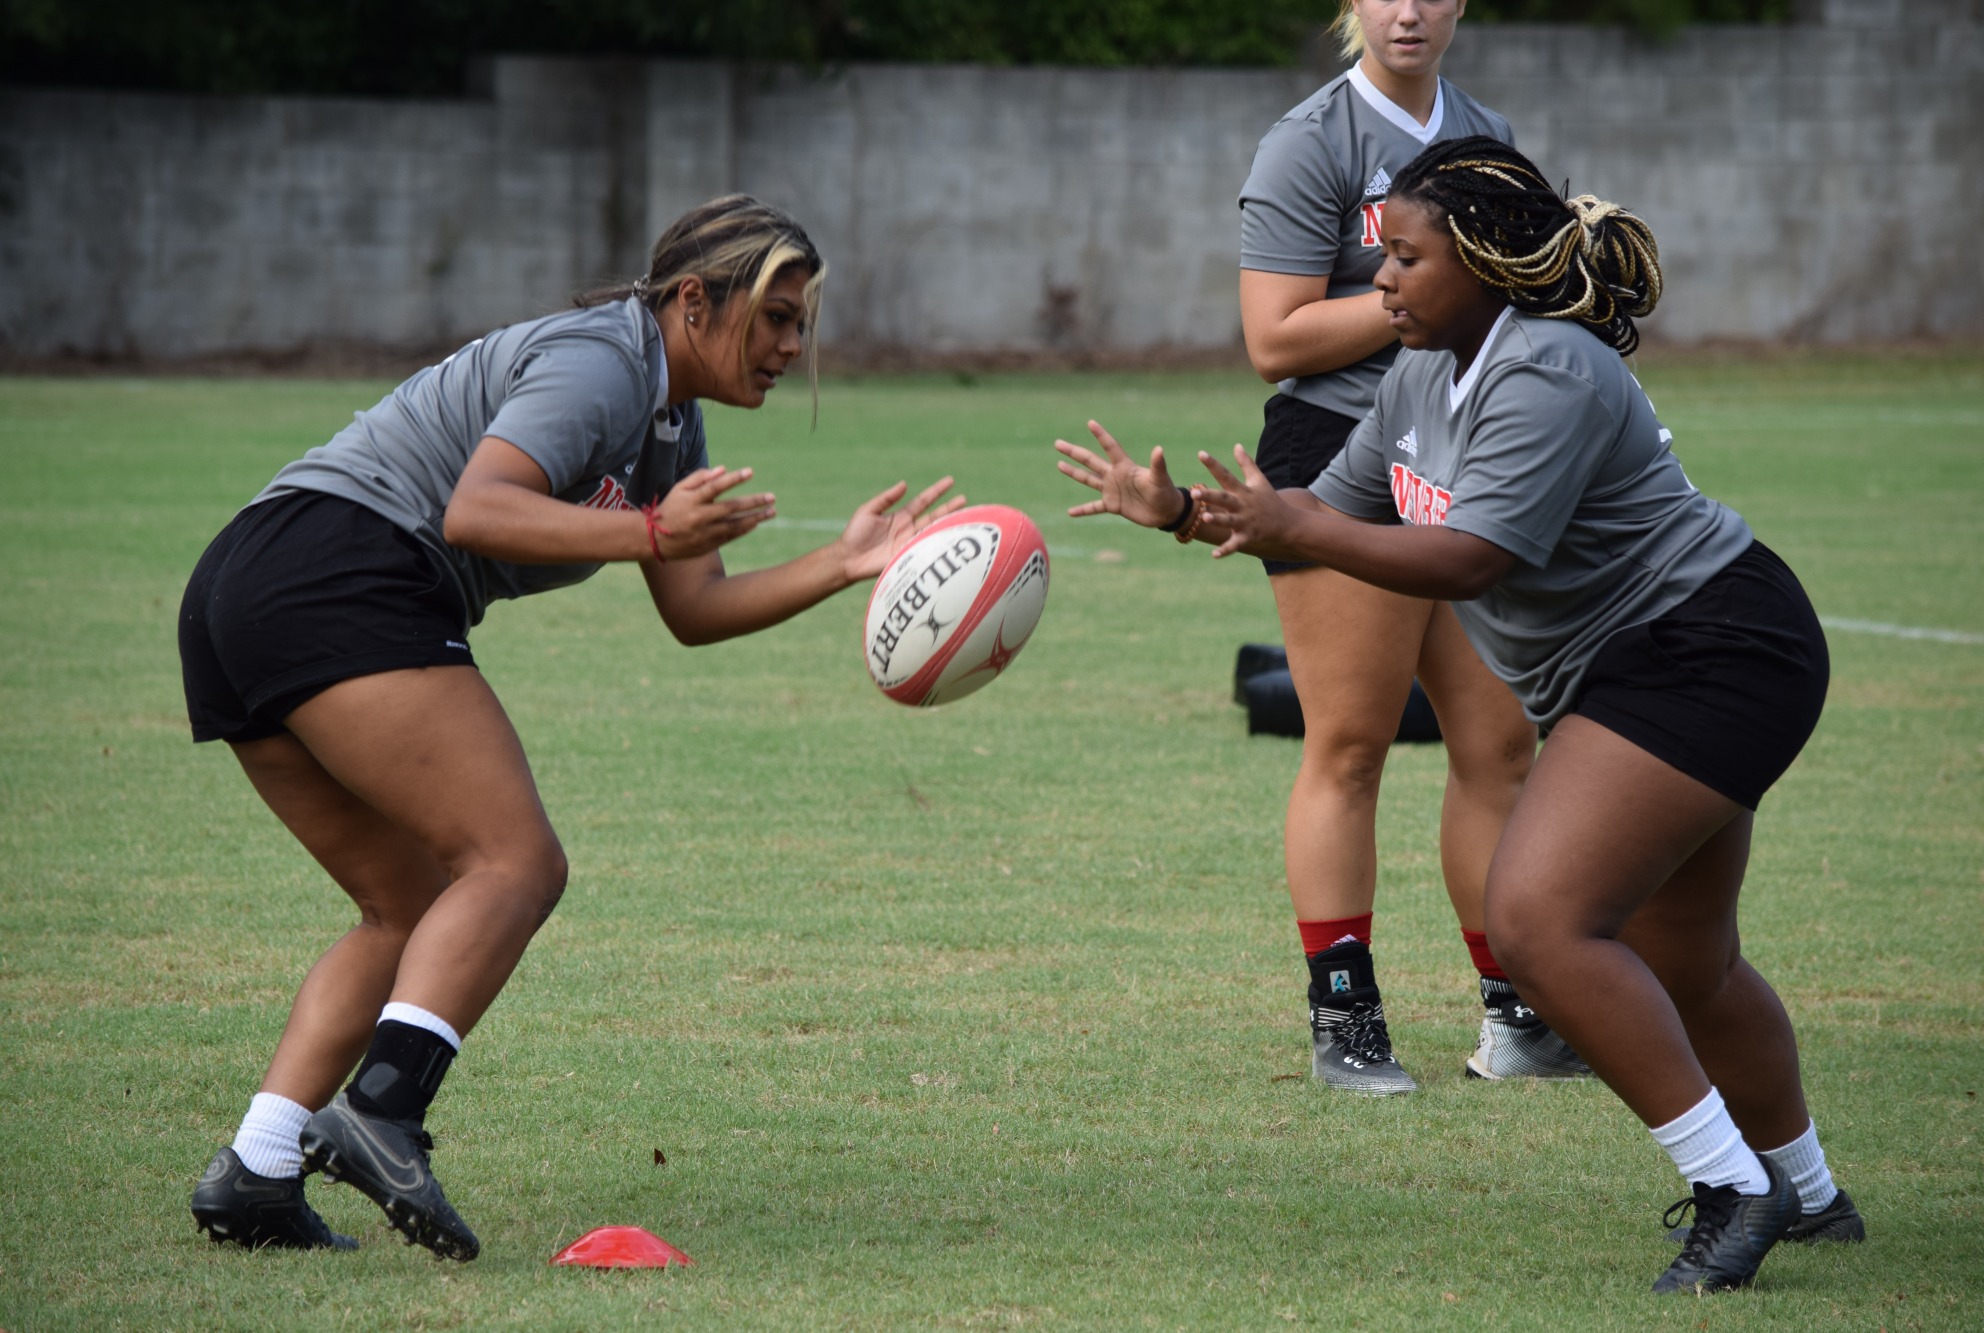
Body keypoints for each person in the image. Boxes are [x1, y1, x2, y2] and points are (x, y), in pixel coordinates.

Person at [1059, 136, 1861, 1294]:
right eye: (1378, 257)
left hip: (1708, 646)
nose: (1376, 281)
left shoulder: (1548, 367)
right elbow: (1319, 513)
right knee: (1681, 957)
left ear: (1486, 263)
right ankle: (1812, 1192)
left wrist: (1299, 530)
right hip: (1642, 665)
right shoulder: (1414, 376)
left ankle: (1734, 1185)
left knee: (1535, 921)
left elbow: (1469, 557)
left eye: (1404, 259)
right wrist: (1184, 510)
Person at [181, 195, 963, 1258]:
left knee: (407, 908)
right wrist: (645, 527)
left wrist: (844, 563)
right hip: (336, 572)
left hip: (254, 586)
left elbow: (693, 609)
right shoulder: (605, 364)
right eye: (775, 316)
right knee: (515, 862)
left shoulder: (671, 423)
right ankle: (383, 1110)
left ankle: (258, 1170)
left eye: (800, 324)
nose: (791, 345)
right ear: (694, 299)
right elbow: (474, 508)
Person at [1236, 0, 1580, 1092]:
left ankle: (1516, 1009)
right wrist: (1425, 290)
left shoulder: (1487, 138)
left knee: (1498, 745)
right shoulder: (1309, 140)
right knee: (1349, 744)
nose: (1408, 9)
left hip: (1467, 450)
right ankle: (1345, 1017)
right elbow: (1272, 336)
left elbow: (1522, 308)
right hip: (1335, 447)